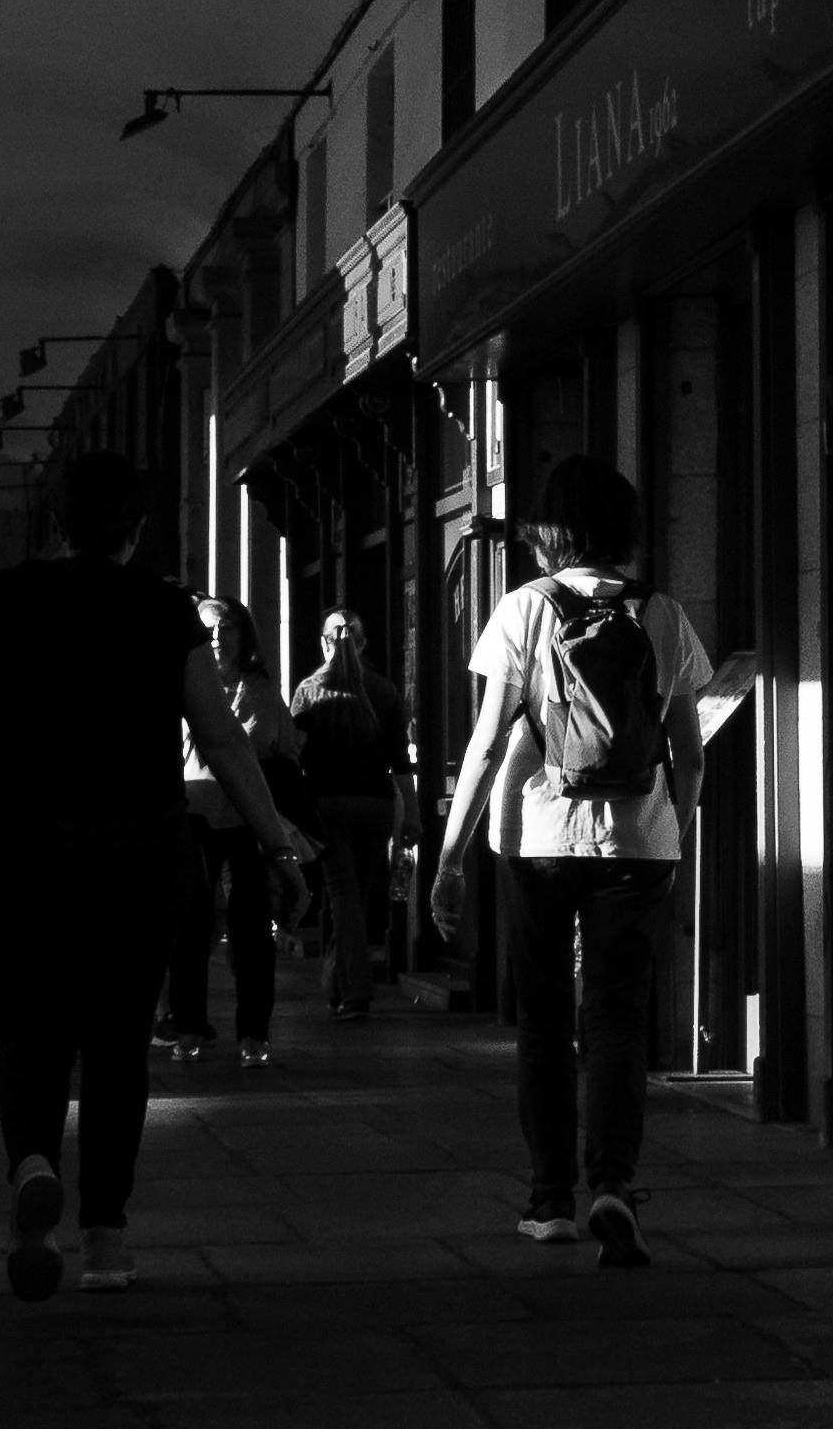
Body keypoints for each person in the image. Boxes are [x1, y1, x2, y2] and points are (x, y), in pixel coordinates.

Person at [0, 458, 310, 1299]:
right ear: (135, 529)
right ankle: (106, 1238)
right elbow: (220, 737)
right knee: (118, 1040)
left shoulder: (4, 595)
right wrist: (277, 844)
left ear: (57, 521)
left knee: (29, 1025)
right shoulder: (163, 608)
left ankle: (32, 1161)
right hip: (143, 848)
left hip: (32, 842)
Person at [430, 454, 707, 1265]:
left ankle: (549, 1200)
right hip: (637, 845)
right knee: (618, 1018)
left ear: (550, 532)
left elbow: (484, 746)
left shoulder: (522, 610)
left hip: (538, 840)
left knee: (545, 1020)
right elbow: (688, 754)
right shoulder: (663, 615)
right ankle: (613, 1187)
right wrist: (672, 834)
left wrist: (447, 859)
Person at [158, 601, 302, 1070]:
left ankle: (254, 1034)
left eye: (227, 627)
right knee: (190, 928)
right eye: (208, 629)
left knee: (252, 931)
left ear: (244, 635)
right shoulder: (176, 688)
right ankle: (188, 1027)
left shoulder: (261, 692)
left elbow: (285, 755)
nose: (217, 636)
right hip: (191, 820)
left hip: (247, 822)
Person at [290, 606, 414, 1019]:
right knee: (354, 898)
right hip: (376, 805)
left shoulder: (309, 691)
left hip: (328, 805)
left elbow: (295, 754)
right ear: (362, 643)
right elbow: (400, 760)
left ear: (325, 642)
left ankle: (355, 992)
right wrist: (410, 814)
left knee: (343, 897)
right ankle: (337, 983)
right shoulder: (385, 691)